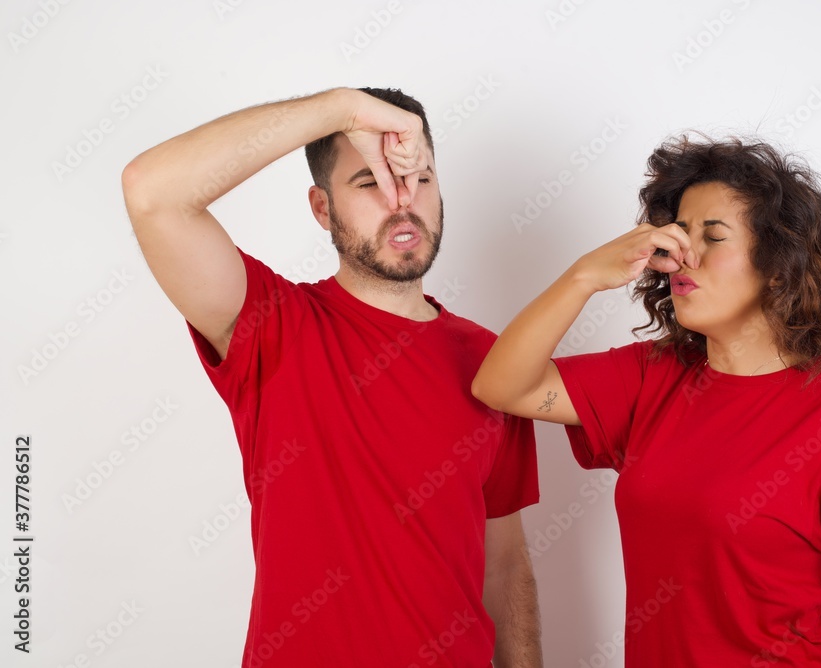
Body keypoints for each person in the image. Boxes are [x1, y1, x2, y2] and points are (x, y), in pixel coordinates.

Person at [472, 135, 821, 666]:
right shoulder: (652, 377)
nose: (680, 256)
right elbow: (502, 386)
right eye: (677, 235)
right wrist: (584, 275)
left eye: (712, 237)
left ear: (779, 264)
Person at [121, 86, 541, 667]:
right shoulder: (271, 326)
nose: (403, 201)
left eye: (419, 178)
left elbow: (505, 561)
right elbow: (153, 193)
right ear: (322, 208)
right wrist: (344, 108)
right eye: (371, 182)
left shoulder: (492, 360)